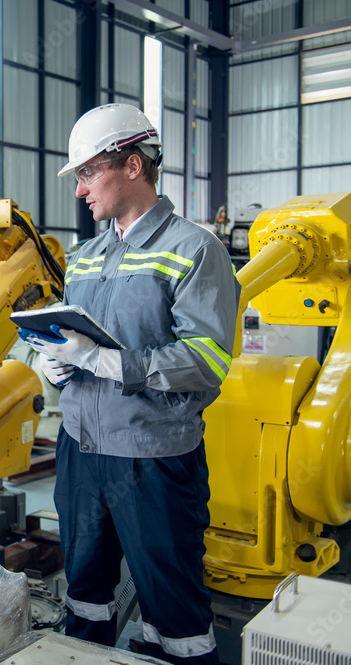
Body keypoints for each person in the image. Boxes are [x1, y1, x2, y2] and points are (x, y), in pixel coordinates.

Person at [22, 104, 240, 665]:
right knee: (86, 595)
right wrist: (49, 360)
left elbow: (207, 360)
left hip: (152, 459)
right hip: (80, 452)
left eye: (89, 173)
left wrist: (104, 361)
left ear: (134, 166)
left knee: (173, 611)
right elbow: (64, 333)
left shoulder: (195, 249)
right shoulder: (85, 258)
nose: (81, 191)